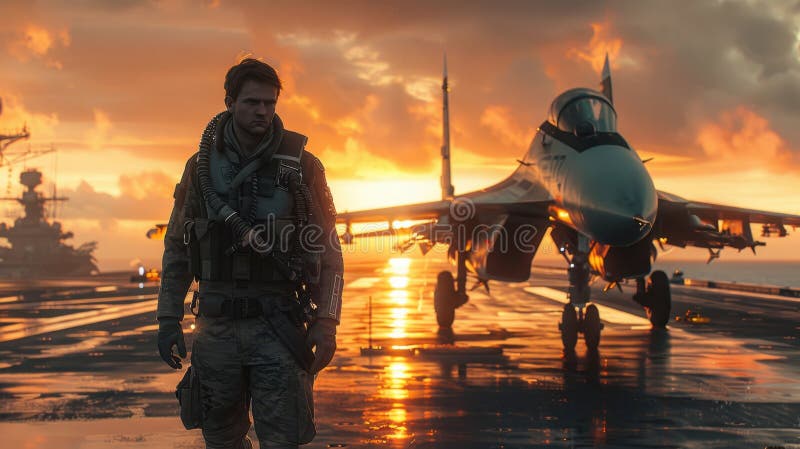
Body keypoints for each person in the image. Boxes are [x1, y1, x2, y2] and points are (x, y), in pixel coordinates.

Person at [156, 58, 344, 449]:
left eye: (270, 103)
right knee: (221, 439)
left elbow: (329, 254)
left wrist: (327, 323)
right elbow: (178, 246)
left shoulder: (303, 167)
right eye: (252, 102)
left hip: (277, 326)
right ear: (230, 102)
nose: (262, 111)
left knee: (282, 439)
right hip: (216, 328)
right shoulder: (201, 167)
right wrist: (167, 317)